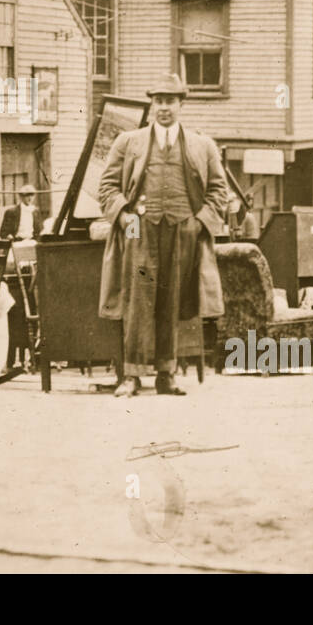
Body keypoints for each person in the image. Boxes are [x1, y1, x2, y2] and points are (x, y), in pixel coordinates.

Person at [97, 73, 228, 397]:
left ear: (182, 104)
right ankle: (132, 376)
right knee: (138, 301)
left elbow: (218, 191)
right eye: (158, 101)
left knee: (173, 301)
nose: (164, 108)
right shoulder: (129, 142)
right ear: (151, 104)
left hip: (183, 231)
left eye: (170, 101)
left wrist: (199, 222)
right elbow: (107, 187)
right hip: (140, 230)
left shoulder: (202, 145)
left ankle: (166, 375)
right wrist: (125, 216)